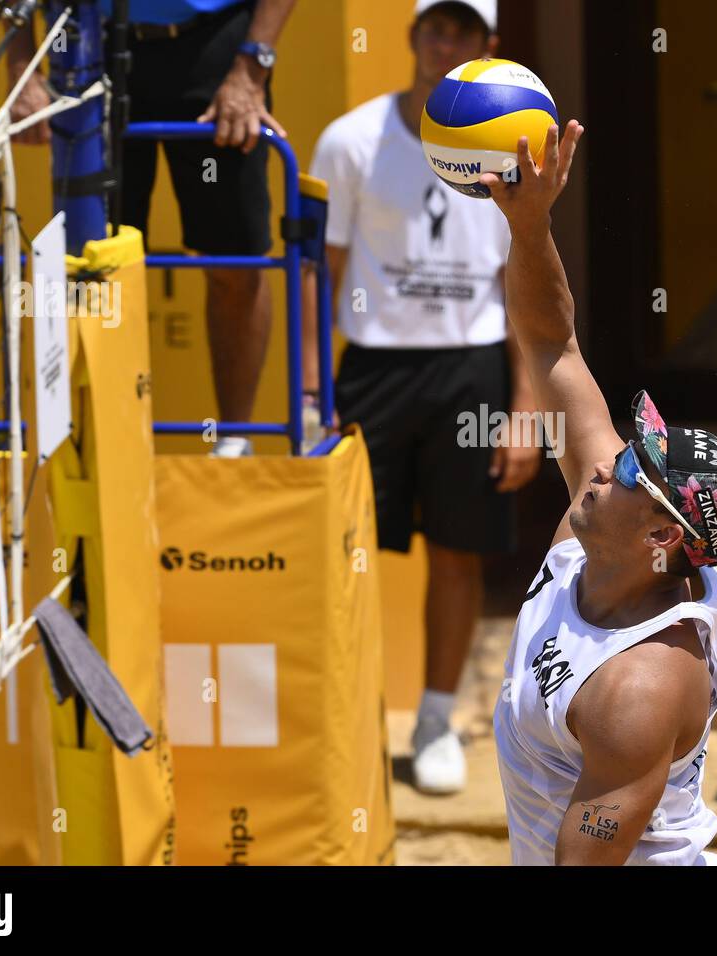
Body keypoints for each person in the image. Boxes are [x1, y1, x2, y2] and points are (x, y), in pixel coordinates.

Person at [483, 123, 717, 865]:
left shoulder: (641, 688)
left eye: (635, 472)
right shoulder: (599, 538)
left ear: (662, 538)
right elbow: (551, 343)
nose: (608, 465)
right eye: (631, 451)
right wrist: (531, 223)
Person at [305, 0, 540, 794]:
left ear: (488, 46)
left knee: (457, 551)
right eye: (433, 29)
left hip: (471, 370)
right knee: (344, 553)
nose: (445, 43)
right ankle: (347, 716)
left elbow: (526, 288)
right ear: (411, 37)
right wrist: (313, 388)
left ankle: (436, 718)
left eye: (462, 32)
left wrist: (523, 407)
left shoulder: (513, 145)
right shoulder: (350, 140)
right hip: (373, 369)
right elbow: (320, 275)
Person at [7, 0, 296, 458]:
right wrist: (22, 67)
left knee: (233, 262)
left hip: (215, 48)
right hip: (90, 46)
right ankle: (103, 441)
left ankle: (234, 441)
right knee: (96, 265)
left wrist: (251, 68)